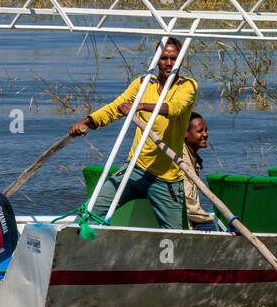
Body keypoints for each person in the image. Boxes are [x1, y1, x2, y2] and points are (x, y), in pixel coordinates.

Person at [68, 37, 197, 230]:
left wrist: (140, 106)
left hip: (167, 176)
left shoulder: (188, 85)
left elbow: (175, 108)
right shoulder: (143, 83)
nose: (169, 63)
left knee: (174, 236)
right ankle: (77, 243)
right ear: (156, 60)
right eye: (164, 58)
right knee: (92, 211)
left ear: (181, 61)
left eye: (174, 59)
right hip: (135, 168)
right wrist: (87, 121)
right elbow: (115, 108)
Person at [180, 113, 218, 231]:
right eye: (199, 131)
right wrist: (211, 219)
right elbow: (188, 205)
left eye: (206, 130)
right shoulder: (182, 159)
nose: (205, 134)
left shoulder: (192, 156)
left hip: (192, 219)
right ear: (185, 133)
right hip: (189, 224)